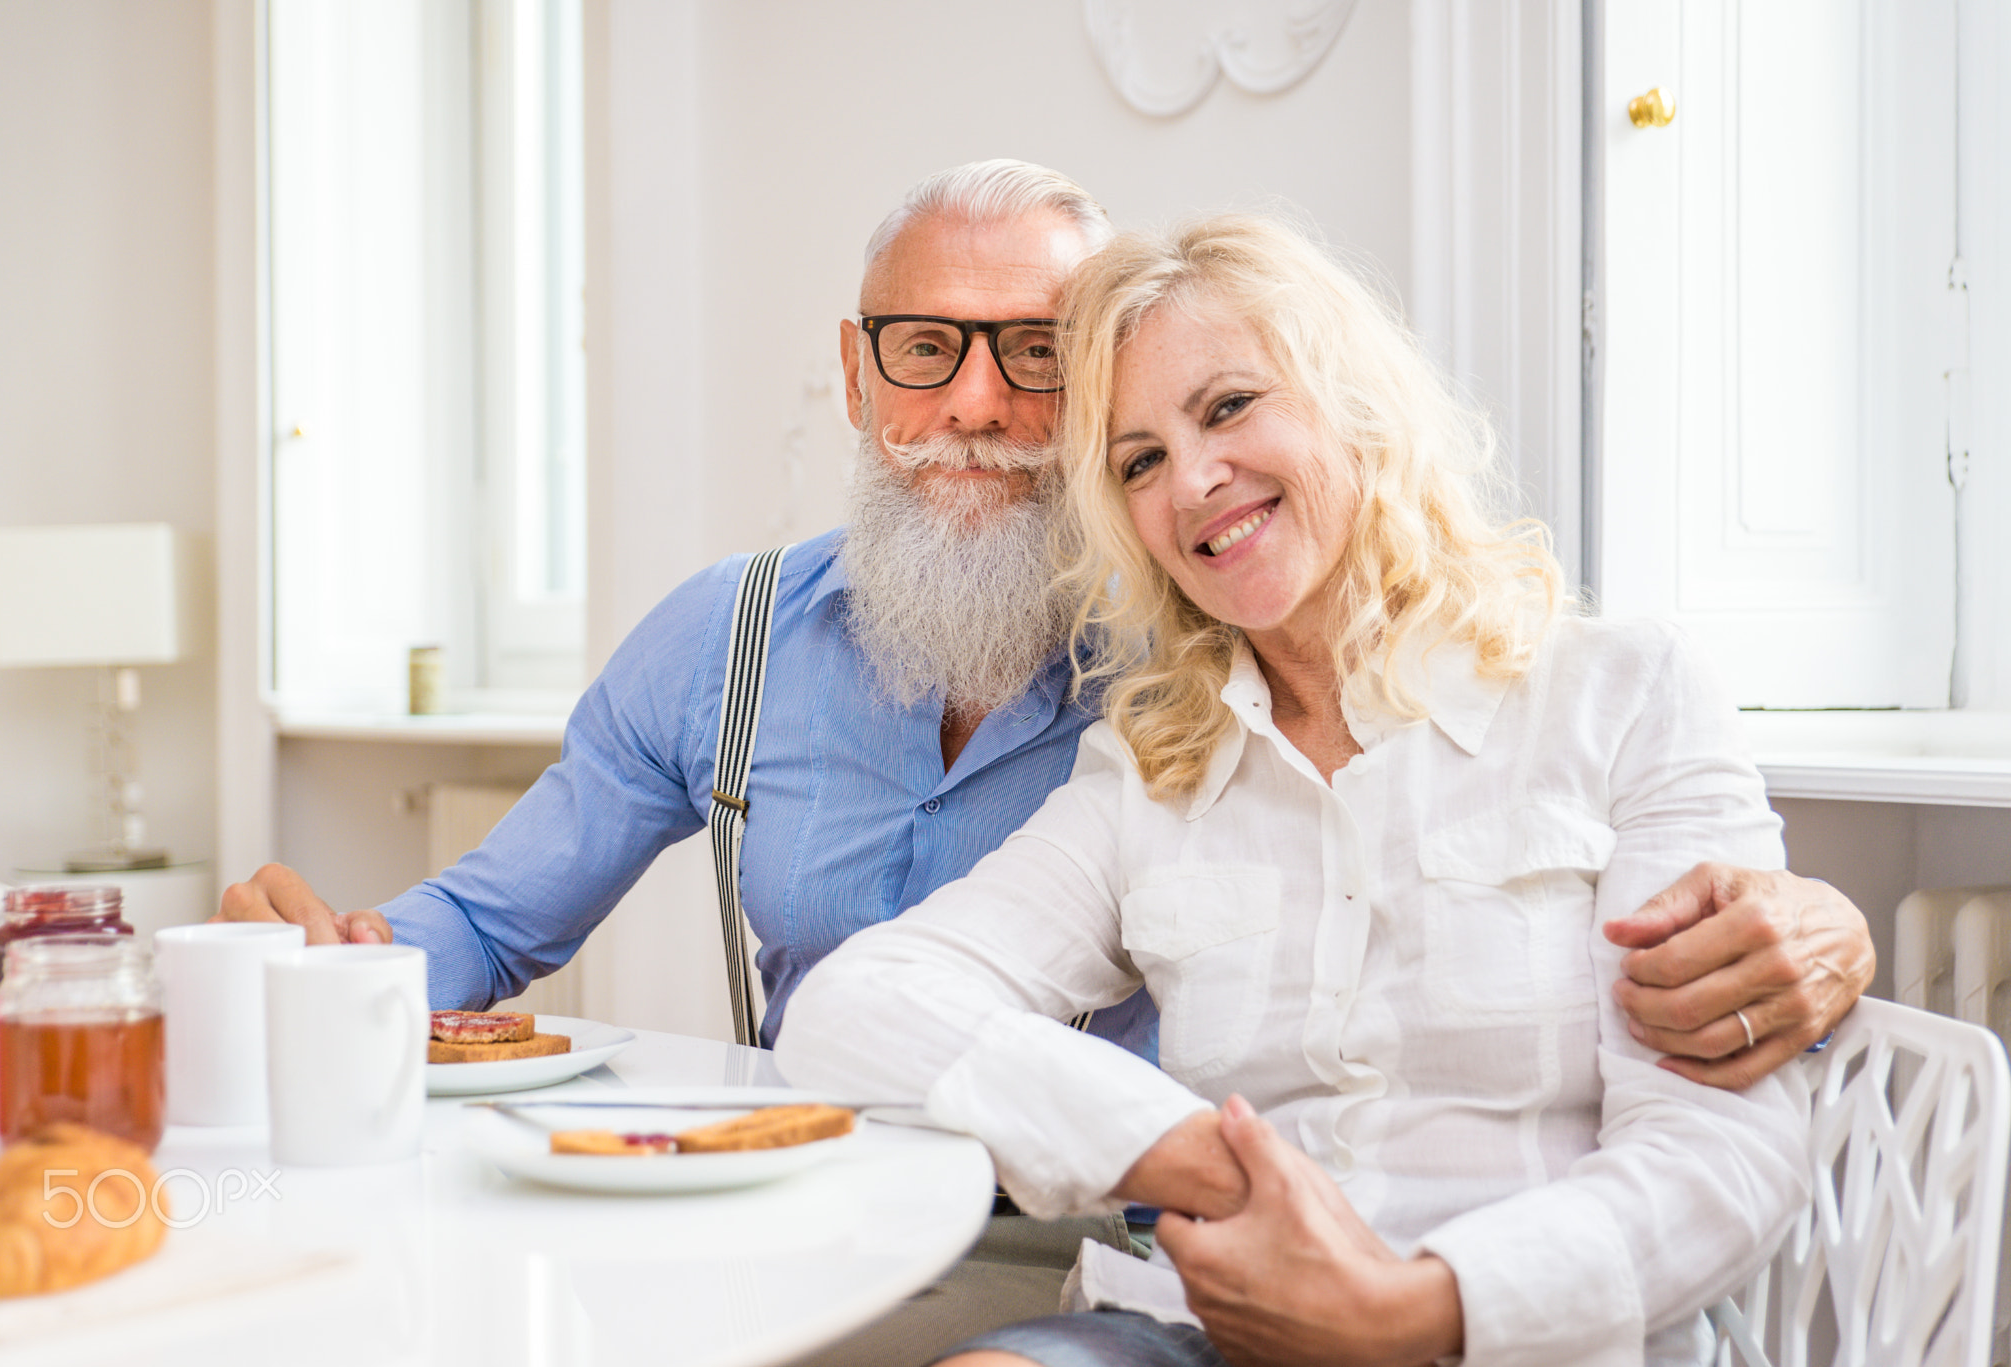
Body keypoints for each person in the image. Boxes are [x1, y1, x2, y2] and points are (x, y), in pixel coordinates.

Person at [217, 160, 1872, 1093]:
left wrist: (1814, 918)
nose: (980, 411)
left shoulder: (1217, 643)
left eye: (1042, 357)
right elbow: (490, 925)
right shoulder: (714, 643)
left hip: (1129, 1250)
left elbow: (1513, 790)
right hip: (819, 1195)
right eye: (927, 352)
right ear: (859, 378)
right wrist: (330, 956)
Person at [774, 213, 1814, 1367]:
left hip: (1534, 1339)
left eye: (1226, 407)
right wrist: (1202, 1160)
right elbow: (854, 1007)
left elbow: (1722, 1152)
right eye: (1138, 462)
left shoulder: (1624, 694)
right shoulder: (1146, 772)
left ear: (1351, 401)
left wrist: (1408, 1306)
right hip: (1215, 1331)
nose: (1195, 479)